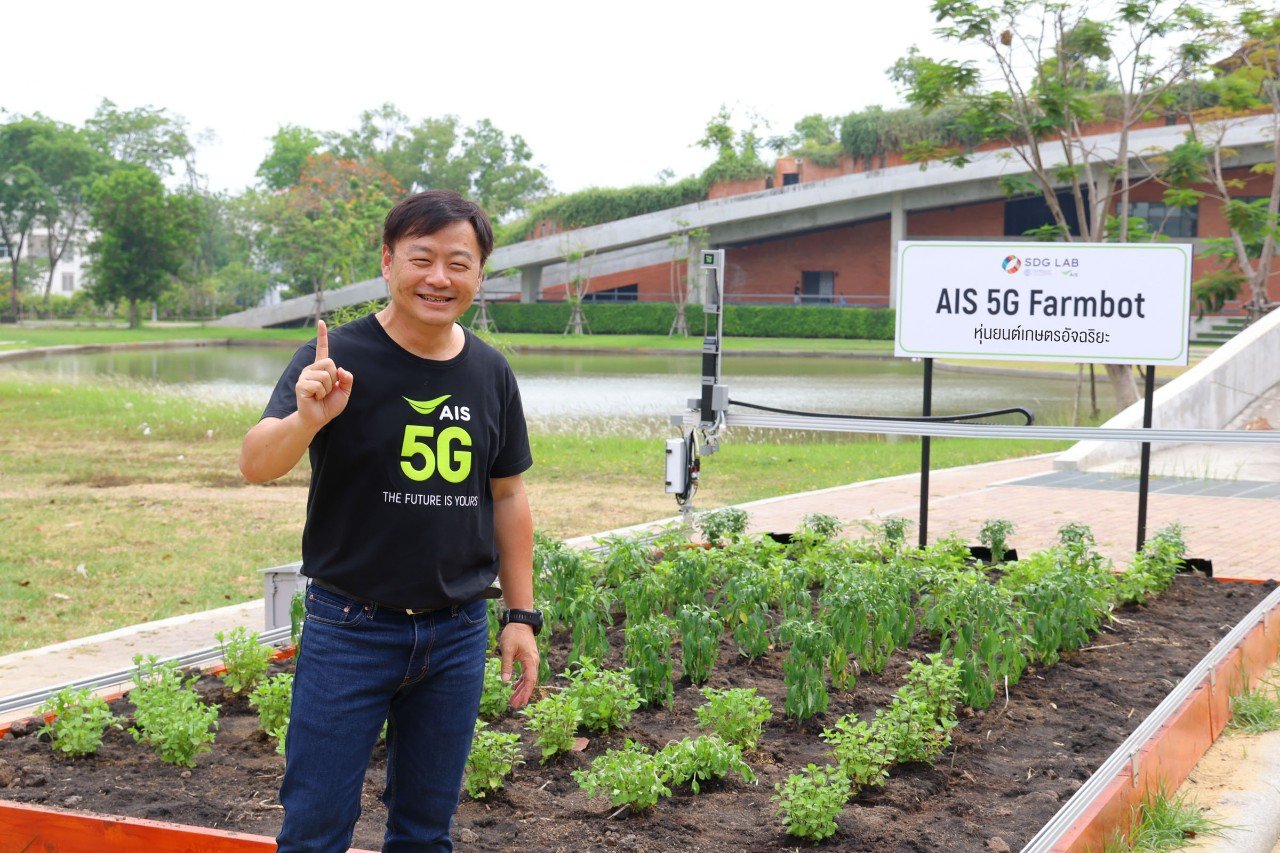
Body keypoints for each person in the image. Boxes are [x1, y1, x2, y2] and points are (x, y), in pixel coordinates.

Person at [239, 189, 540, 852]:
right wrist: (306, 419)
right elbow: (256, 461)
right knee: (315, 826)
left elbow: (509, 496)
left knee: (425, 832)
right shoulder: (335, 357)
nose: (439, 277)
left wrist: (521, 616)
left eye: (458, 263)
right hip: (351, 629)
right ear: (387, 261)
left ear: (479, 275)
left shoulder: (490, 371)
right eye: (421, 258)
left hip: (456, 633)